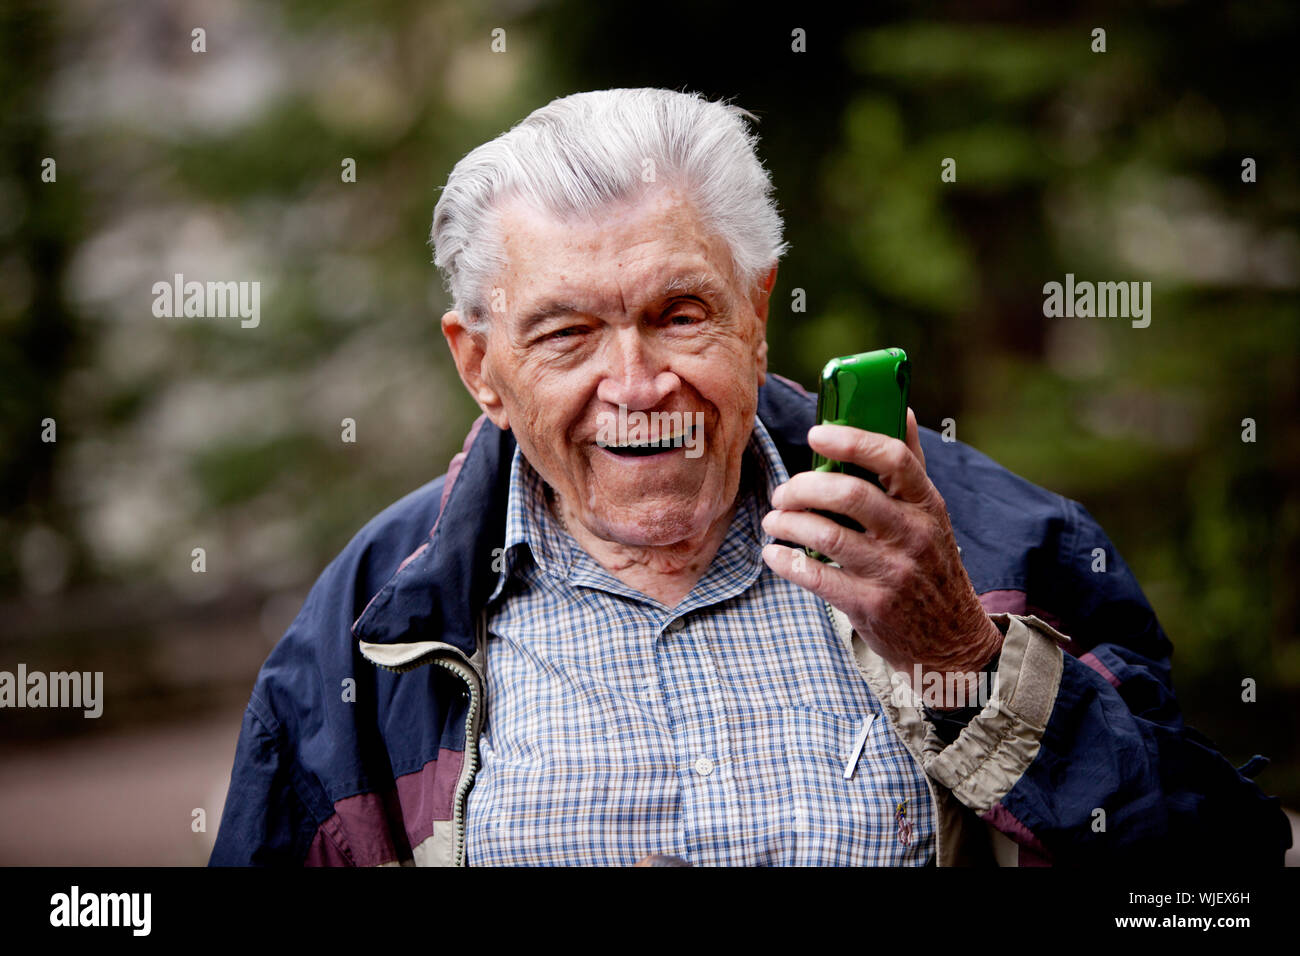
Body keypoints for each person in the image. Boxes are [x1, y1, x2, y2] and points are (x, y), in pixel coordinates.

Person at [210, 88, 1290, 866]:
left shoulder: (995, 544)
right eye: (566, 333)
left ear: (756, 313)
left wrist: (961, 656)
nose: (635, 383)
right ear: (479, 366)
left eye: (680, 313)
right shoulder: (362, 627)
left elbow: (1210, 870)